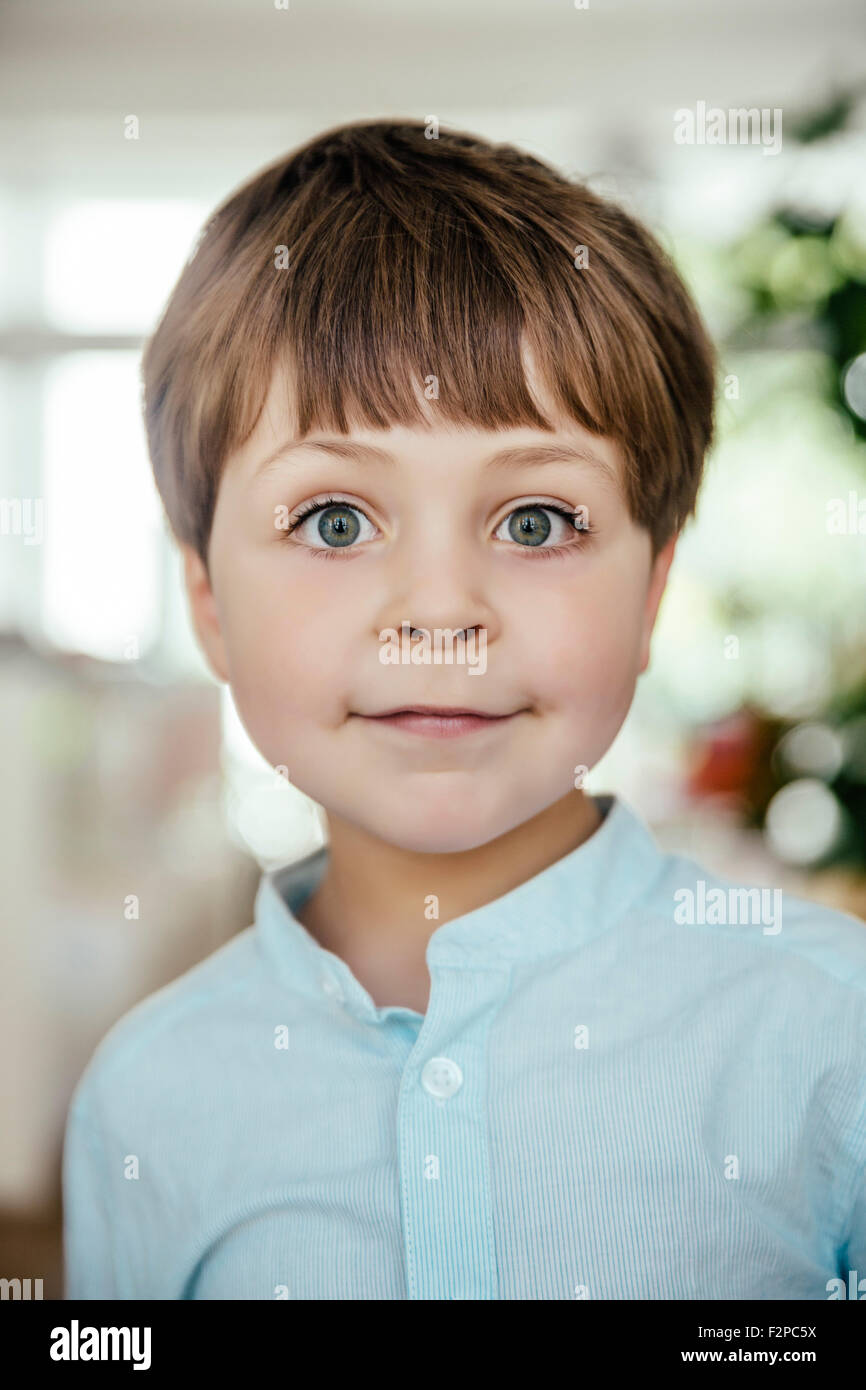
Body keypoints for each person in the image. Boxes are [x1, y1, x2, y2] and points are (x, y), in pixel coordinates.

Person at [62, 119, 866, 1300]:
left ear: (650, 591)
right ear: (209, 605)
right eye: (333, 521)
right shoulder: (145, 1098)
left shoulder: (829, 1031)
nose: (439, 614)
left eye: (534, 521)